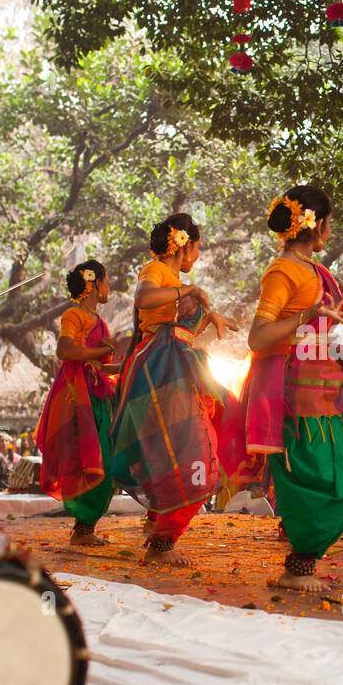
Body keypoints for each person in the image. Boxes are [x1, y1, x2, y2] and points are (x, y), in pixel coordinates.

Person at [229, 185, 343, 591]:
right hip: (297, 393)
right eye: (329, 221)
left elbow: (324, 328)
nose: (331, 229)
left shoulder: (316, 271)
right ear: (317, 226)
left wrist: (337, 310)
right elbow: (258, 337)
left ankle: (303, 553)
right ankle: (298, 567)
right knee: (336, 484)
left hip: (329, 382)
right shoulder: (282, 271)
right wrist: (306, 316)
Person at [110, 213, 240, 565]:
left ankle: (158, 527)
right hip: (161, 371)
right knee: (191, 451)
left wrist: (214, 316)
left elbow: (180, 322)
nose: (198, 255)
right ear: (185, 245)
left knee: (181, 449)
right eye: (197, 247)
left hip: (176, 370)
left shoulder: (175, 280)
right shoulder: (156, 271)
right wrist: (190, 290)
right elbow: (144, 298)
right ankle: (161, 541)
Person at [36, 260, 124, 546]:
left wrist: (130, 365)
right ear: (94, 283)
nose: (109, 288)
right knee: (89, 461)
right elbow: (64, 350)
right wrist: (102, 349)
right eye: (107, 281)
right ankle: (83, 529)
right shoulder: (74, 315)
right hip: (78, 399)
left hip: (98, 396)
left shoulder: (100, 321)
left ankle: (85, 528)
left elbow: (100, 367)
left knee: (105, 462)